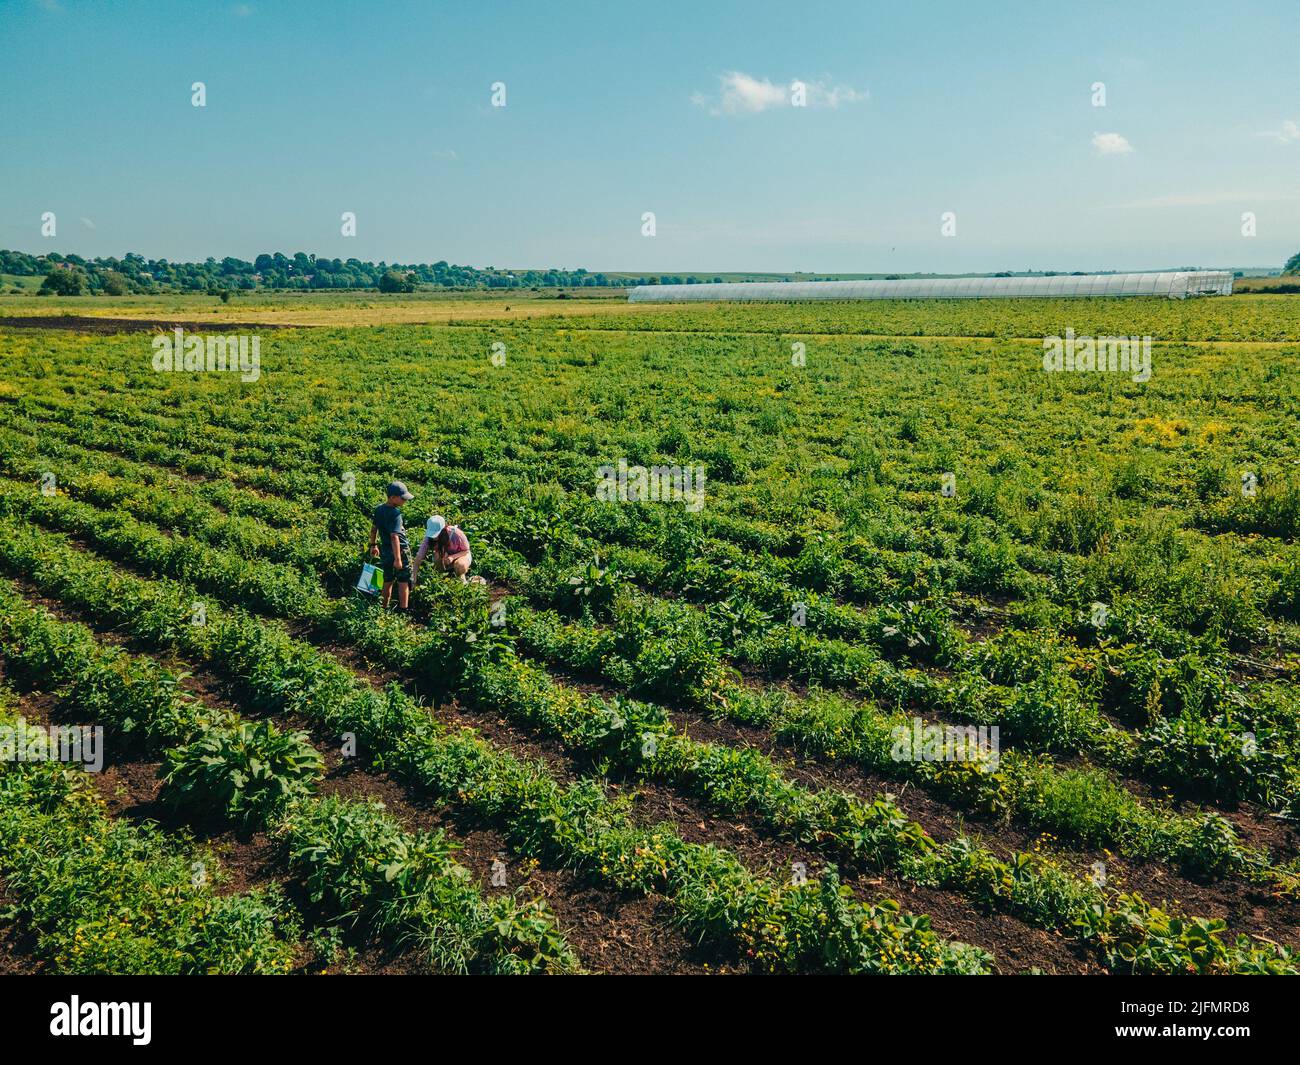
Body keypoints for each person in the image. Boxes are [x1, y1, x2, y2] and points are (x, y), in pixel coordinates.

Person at [367, 480, 414, 610]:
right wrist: (398, 559)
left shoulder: (379, 509)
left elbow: (373, 529)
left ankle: (384, 607)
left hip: (386, 551)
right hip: (400, 551)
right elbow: (394, 536)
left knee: (387, 580)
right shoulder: (395, 514)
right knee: (403, 580)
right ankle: (404, 610)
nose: (405, 501)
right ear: (393, 498)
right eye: (402, 498)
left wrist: (373, 545)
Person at [413, 514, 472, 584]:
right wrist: (413, 579)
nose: (434, 537)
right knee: (437, 556)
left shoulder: (456, 533)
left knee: (460, 565)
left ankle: (461, 580)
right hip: (446, 559)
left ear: (443, 529)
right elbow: (419, 558)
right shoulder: (428, 538)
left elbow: (466, 551)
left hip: (461, 556)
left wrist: (452, 557)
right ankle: (442, 578)